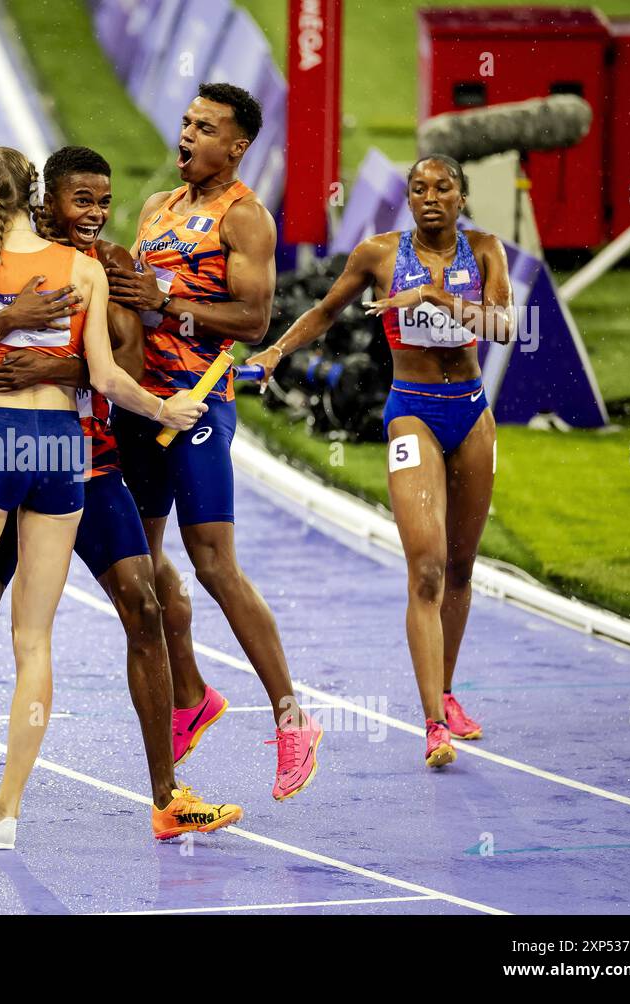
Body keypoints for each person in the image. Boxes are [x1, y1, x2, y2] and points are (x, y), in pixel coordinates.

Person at [0, 146, 240, 842]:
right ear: (46, 201)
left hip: (78, 462)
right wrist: (5, 325)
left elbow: (120, 363)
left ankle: (165, 795)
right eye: (84, 201)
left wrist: (43, 354)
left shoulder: (101, 265)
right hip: (58, 455)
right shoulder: (52, 266)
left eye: (105, 203)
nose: (97, 214)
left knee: (142, 605)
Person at [248, 155, 513, 768]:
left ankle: (448, 691)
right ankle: (434, 726)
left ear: (461, 196)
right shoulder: (378, 254)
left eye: (443, 188)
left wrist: (437, 298)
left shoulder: (486, 249)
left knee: (463, 565)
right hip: (413, 411)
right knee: (426, 568)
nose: (430, 198)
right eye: (418, 188)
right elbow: (323, 311)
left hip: (471, 414)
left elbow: (502, 325)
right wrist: (275, 353)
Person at [106, 83, 322, 801]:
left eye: (207, 128)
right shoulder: (159, 208)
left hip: (197, 407)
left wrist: (165, 303)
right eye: (187, 121)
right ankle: (192, 693)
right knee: (139, 566)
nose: (189, 134)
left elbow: (254, 322)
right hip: (144, 407)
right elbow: (139, 297)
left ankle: (292, 717)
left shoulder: (246, 218)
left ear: (237, 146)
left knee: (214, 566)